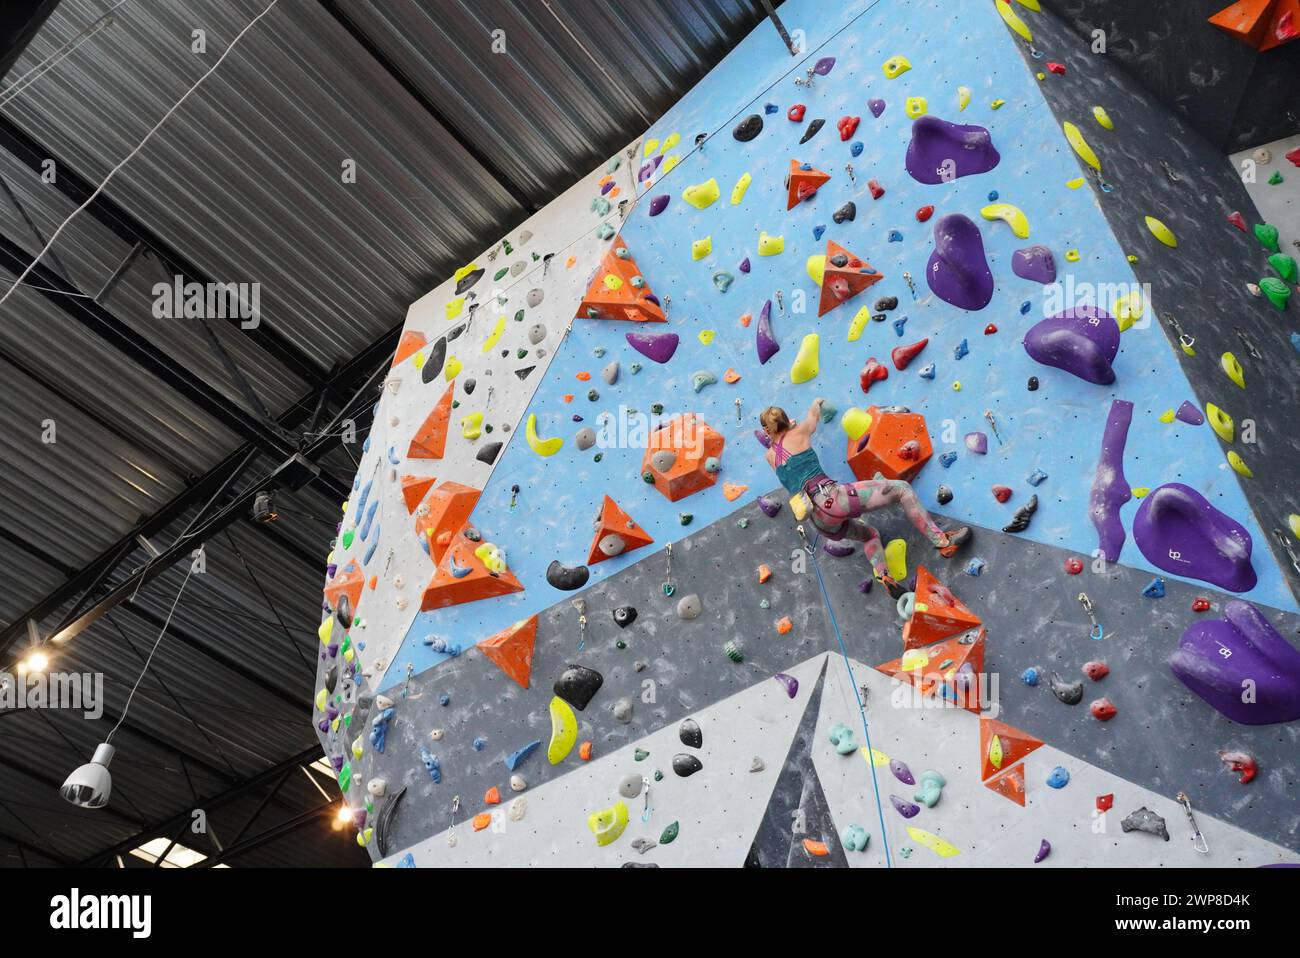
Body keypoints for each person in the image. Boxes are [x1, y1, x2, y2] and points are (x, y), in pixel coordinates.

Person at [761, 398, 970, 598]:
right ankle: (943, 542)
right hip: (833, 498)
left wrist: (782, 432)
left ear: (767, 430)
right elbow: (813, 414)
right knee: (902, 490)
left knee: (870, 535)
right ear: (787, 420)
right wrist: (817, 402)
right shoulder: (800, 431)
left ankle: (884, 576)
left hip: (819, 521)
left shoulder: (770, 457)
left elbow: (783, 454)